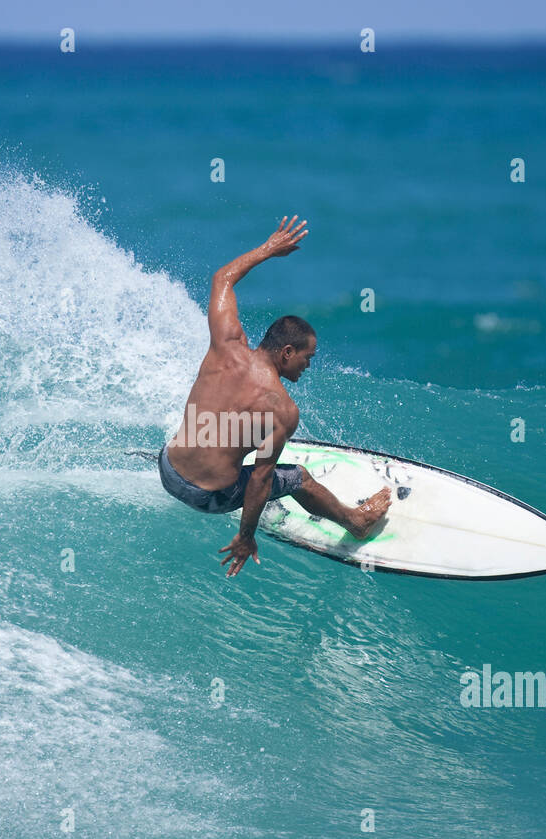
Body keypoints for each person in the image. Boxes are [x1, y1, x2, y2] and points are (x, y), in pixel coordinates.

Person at [159, 215, 392, 577]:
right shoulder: (282, 410)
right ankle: (355, 522)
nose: (308, 366)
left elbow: (222, 277)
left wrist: (268, 248)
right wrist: (245, 536)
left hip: (167, 469)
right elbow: (260, 481)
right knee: (297, 476)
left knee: (216, 429)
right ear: (286, 352)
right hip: (205, 498)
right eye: (307, 358)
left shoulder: (225, 345)